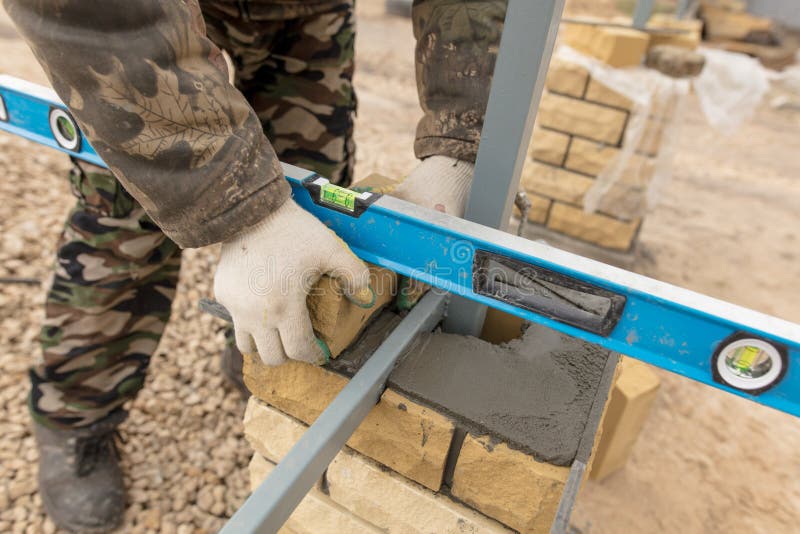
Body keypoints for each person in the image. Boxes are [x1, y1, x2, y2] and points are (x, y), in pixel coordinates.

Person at [4, 0, 507, 531]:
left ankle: (260, 352)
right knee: (127, 221)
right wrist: (242, 211)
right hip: (145, 20)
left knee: (314, 196)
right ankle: (76, 412)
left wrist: (461, 141)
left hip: (306, 11)